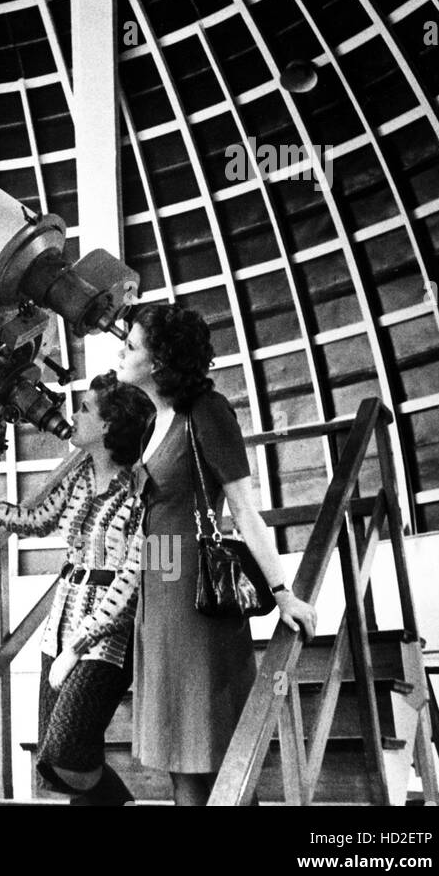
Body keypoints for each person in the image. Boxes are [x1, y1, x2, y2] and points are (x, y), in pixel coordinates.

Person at [116, 303, 318, 806]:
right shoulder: (151, 419)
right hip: (160, 594)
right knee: (177, 753)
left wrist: (281, 592)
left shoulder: (206, 411)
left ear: (160, 361)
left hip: (198, 598)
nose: (120, 352)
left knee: (216, 748)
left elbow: (245, 510)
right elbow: (154, 519)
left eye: (131, 345)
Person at [0, 371, 154, 805]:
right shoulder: (80, 473)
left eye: (85, 409)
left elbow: (132, 582)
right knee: (58, 764)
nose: (74, 415)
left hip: (106, 642)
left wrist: (78, 646)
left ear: (107, 426)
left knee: (65, 753)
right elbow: (38, 520)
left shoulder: (144, 492)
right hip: (60, 623)